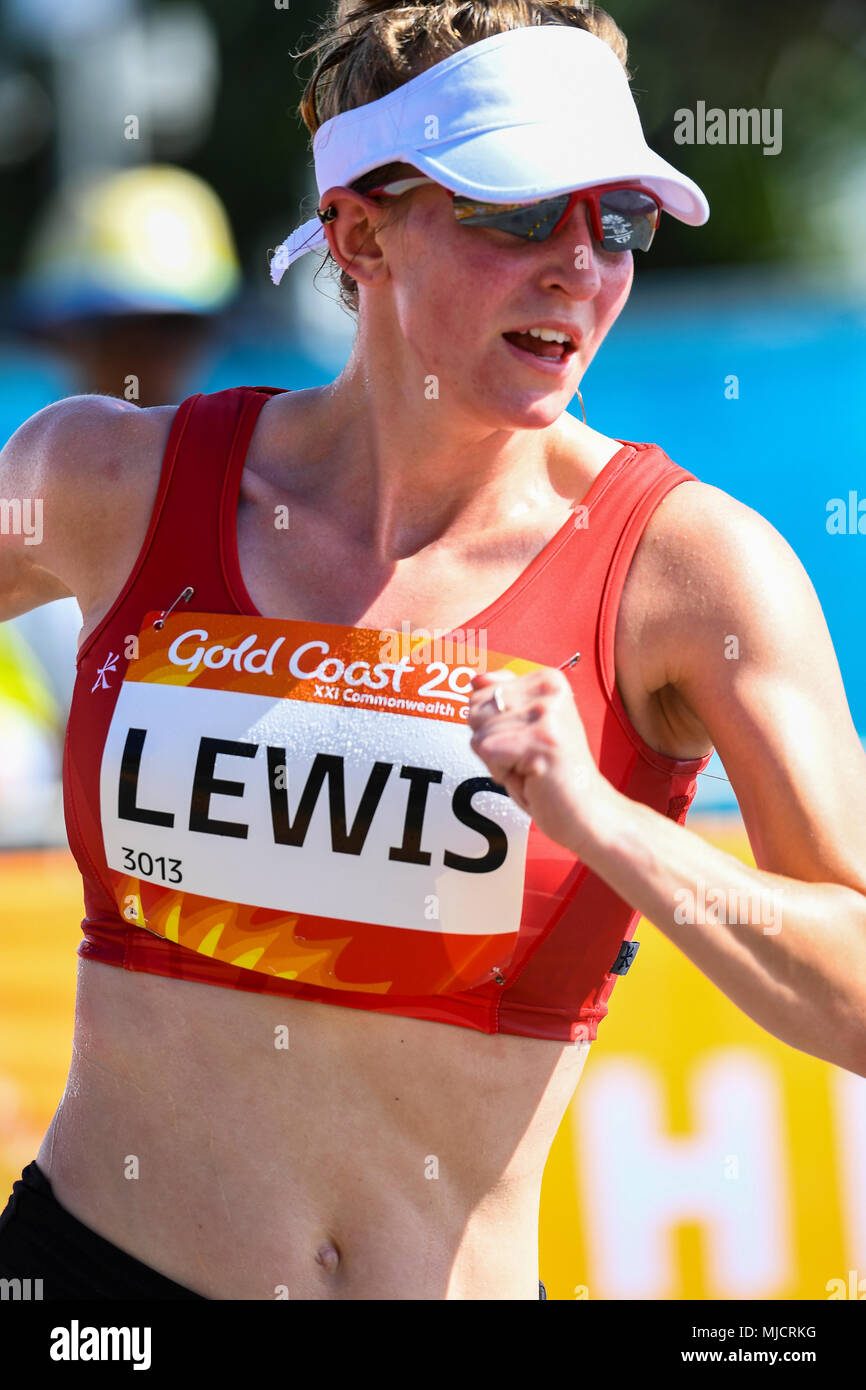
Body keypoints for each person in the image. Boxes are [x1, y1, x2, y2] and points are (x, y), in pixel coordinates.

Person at [1, 0, 865, 1302]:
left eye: (616, 219)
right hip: (97, 1295)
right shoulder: (105, 476)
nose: (580, 264)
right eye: (518, 213)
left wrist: (607, 823)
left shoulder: (687, 571)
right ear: (357, 229)